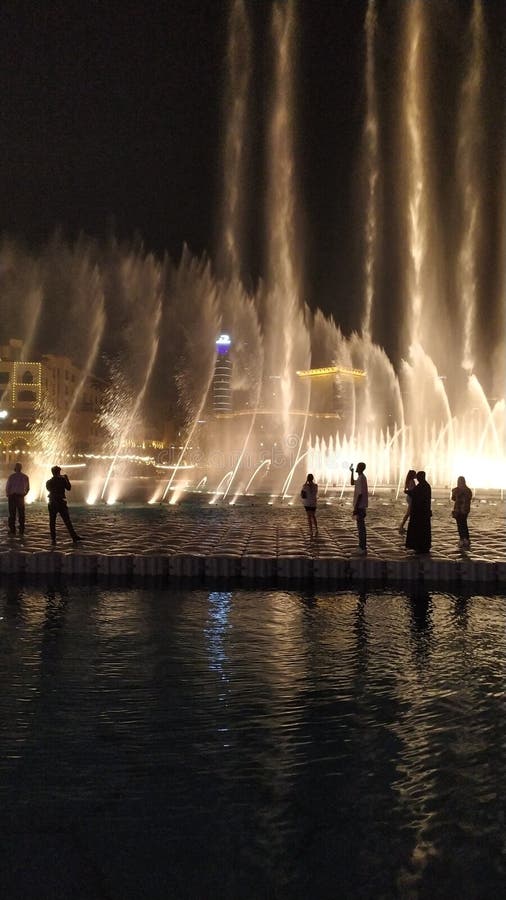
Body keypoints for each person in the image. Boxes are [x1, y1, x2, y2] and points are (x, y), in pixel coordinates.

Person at [46, 465, 82, 545]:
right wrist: (66, 479)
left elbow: (49, 489)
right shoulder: (62, 480)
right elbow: (69, 488)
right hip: (61, 502)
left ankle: (53, 539)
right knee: (67, 521)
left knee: (52, 521)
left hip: (52, 502)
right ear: (59, 472)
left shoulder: (49, 482)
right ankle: (73, 536)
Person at [405, 470, 432, 554]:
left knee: (419, 530)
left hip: (420, 512)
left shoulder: (422, 486)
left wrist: (408, 492)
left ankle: (420, 546)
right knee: (423, 530)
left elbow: (417, 495)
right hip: (423, 511)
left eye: (418, 477)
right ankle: (421, 546)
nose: (417, 478)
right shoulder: (425, 485)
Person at [5, 461, 30, 536]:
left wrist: (8, 494)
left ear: (15, 468)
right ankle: (21, 530)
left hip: (12, 497)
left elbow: (8, 487)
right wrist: (24, 494)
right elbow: (28, 488)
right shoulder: (25, 476)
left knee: (12, 514)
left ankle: (12, 530)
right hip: (20, 497)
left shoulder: (11, 476)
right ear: (21, 468)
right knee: (21, 514)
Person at [350, 461, 368, 554]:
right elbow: (352, 483)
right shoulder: (360, 477)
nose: (356, 468)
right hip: (360, 506)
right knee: (360, 527)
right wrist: (351, 472)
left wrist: (355, 508)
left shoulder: (362, 478)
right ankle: (361, 546)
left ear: (360, 468)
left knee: (361, 528)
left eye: (357, 467)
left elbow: (360, 494)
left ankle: (362, 548)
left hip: (360, 506)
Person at [451, 475, 472, 549]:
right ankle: (466, 539)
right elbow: (469, 498)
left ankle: (462, 539)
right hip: (465, 510)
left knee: (460, 525)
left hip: (459, 510)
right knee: (464, 524)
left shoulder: (457, 490)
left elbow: (453, 498)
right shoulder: (468, 490)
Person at [399, 469, 417, 533]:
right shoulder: (412, 481)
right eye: (415, 474)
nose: (416, 475)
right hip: (411, 498)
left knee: (410, 513)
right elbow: (412, 491)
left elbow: (407, 490)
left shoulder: (409, 481)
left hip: (409, 498)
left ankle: (403, 526)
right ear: (412, 475)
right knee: (408, 513)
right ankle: (401, 526)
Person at [301, 473, 318, 538]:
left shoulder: (305, 486)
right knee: (313, 516)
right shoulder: (316, 486)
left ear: (307, 479)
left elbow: (303, 495)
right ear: (313, 478)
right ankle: (316, 528)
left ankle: (311, 530)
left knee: (308, 517)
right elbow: (315, 493)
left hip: (307, 503)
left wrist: (306, 482)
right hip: (313, 503)